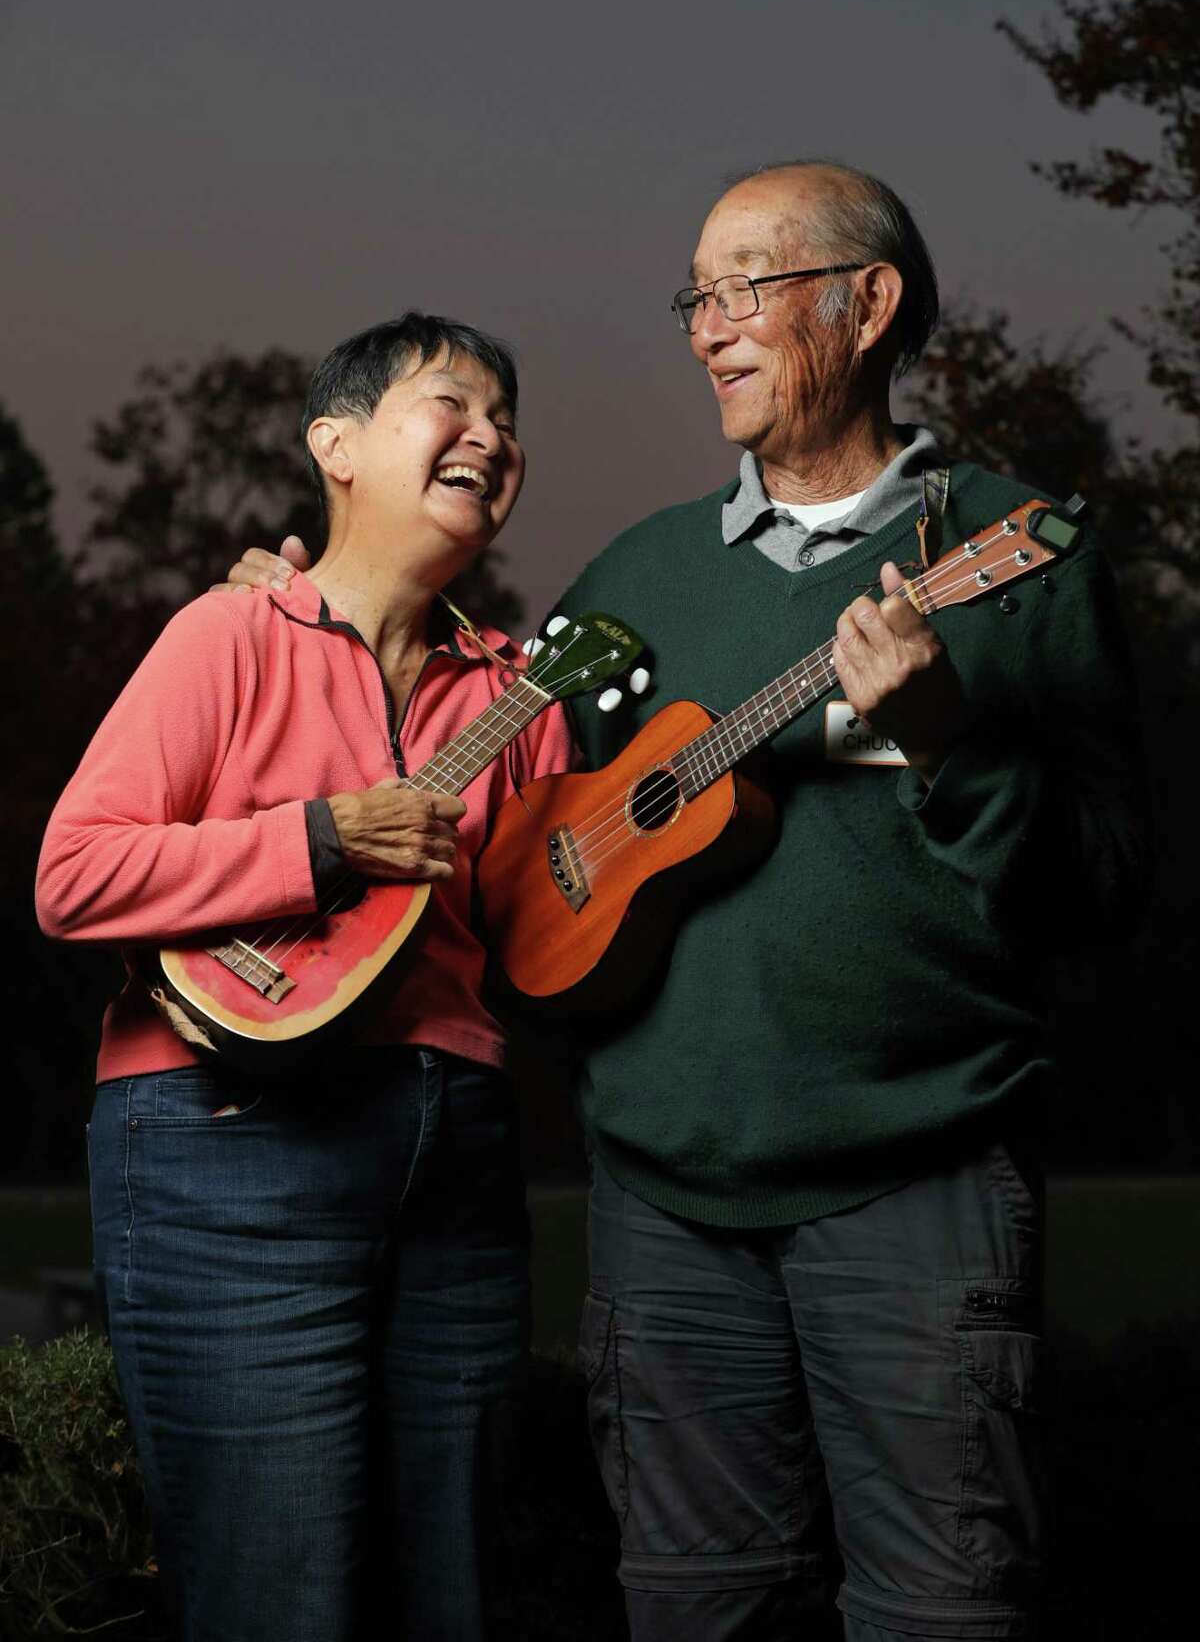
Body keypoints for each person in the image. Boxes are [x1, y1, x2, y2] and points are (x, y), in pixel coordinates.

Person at [227, 164, 1149, 1641]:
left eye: (745, 288)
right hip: (661, 1207)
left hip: (915, 1188)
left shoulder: (1017, 553)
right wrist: (313, 620)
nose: (707, 328)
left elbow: (1108, 884)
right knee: (693, 1610)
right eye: (695, 299)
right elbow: (481, 779)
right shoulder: (638, 576)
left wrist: (955, 736)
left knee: (946, 1613)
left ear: (869, 304)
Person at [36, 313, 574, 1642]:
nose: (494, 433)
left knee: (455, 1596)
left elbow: (540, 939)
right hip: (228, 1142)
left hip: (458, 1151)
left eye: (509, 419)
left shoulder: (525, 693)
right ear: (334, 444)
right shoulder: (228, 636)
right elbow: (75, 873)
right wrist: (321, 842)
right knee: (282, 1598)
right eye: (453, 402)